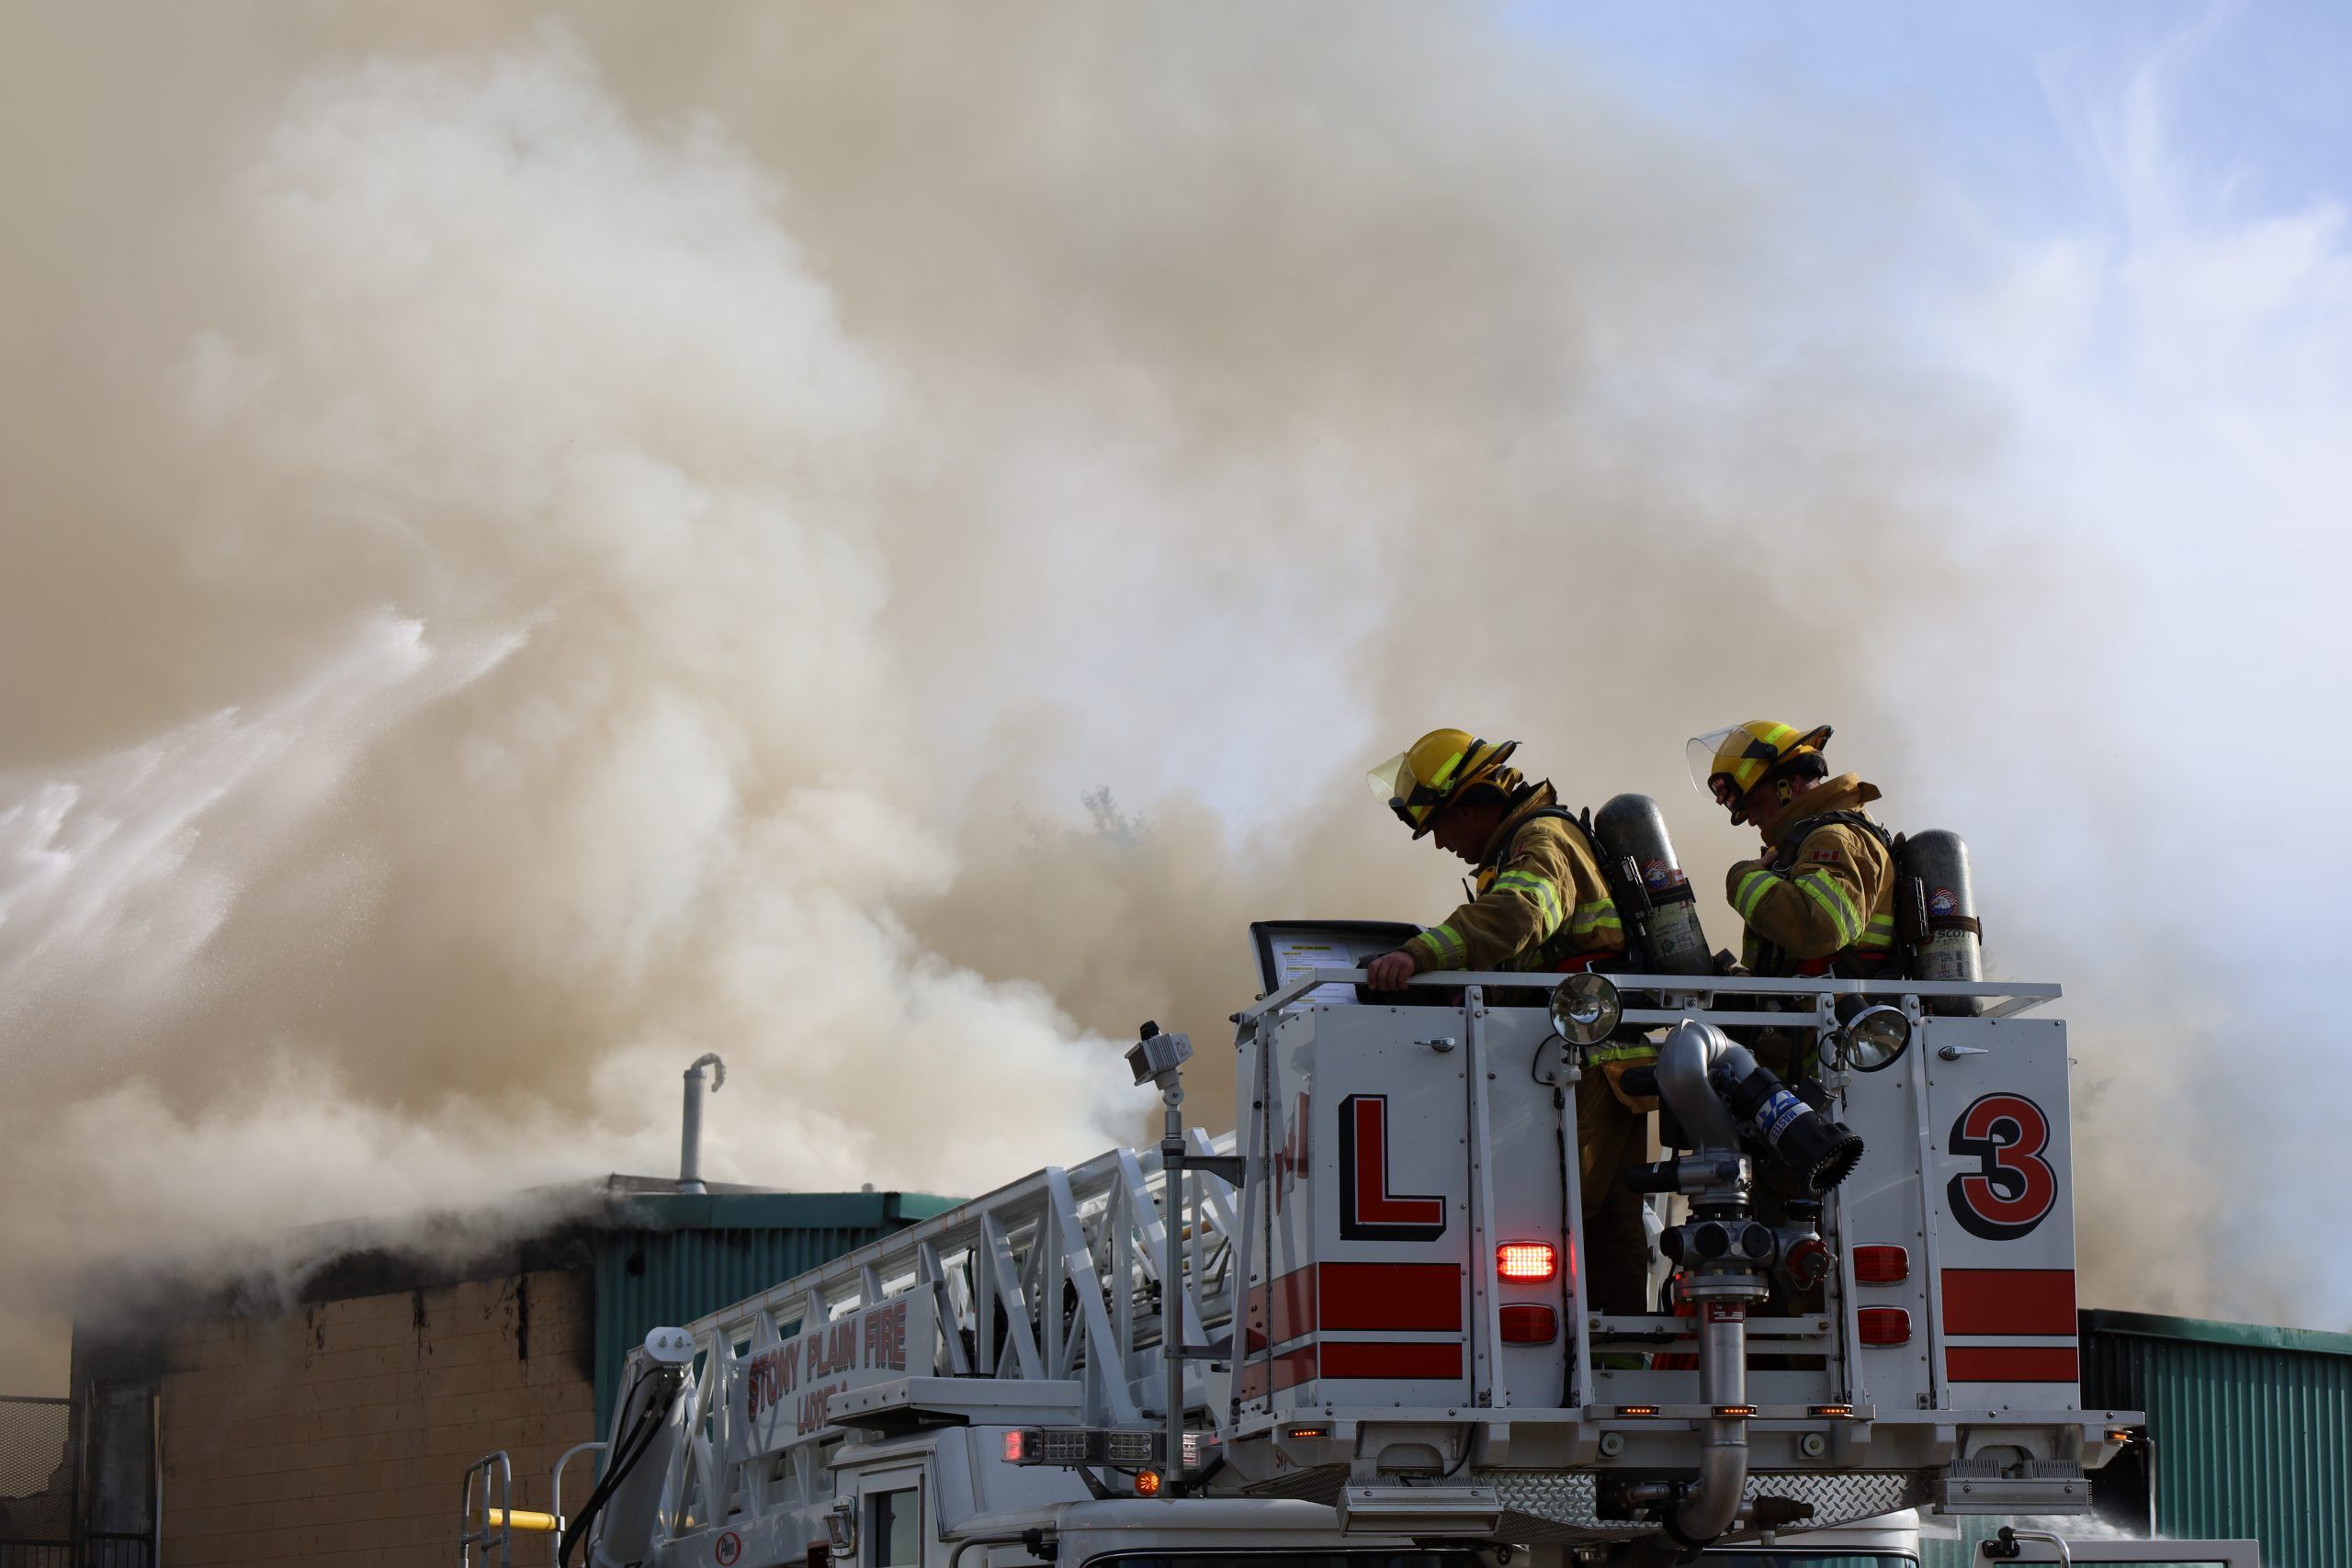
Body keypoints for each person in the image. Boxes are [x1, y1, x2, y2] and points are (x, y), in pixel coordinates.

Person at [1363, 728, 1655, 1315]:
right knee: (1598, 1222)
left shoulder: (1540, 840)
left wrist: (1420, 954)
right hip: (1586, 1063)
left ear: (1470, 806)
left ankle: (1565, 1349)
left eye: (1440, 826)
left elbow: (1521, 914)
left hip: (1581, 1067)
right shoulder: (1523, 845)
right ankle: (1606, 1351)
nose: (1441, 843)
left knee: (1553, 1211)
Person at [1686, 721, 1897, 985]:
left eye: (1756, 803)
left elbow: (1817, 929)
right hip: (1808, 1007)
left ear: (1791, 783)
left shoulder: (1834, 839)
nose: (1752, 820)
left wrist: (1742, 878)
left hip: (1832, 1009)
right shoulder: (1802, 845)